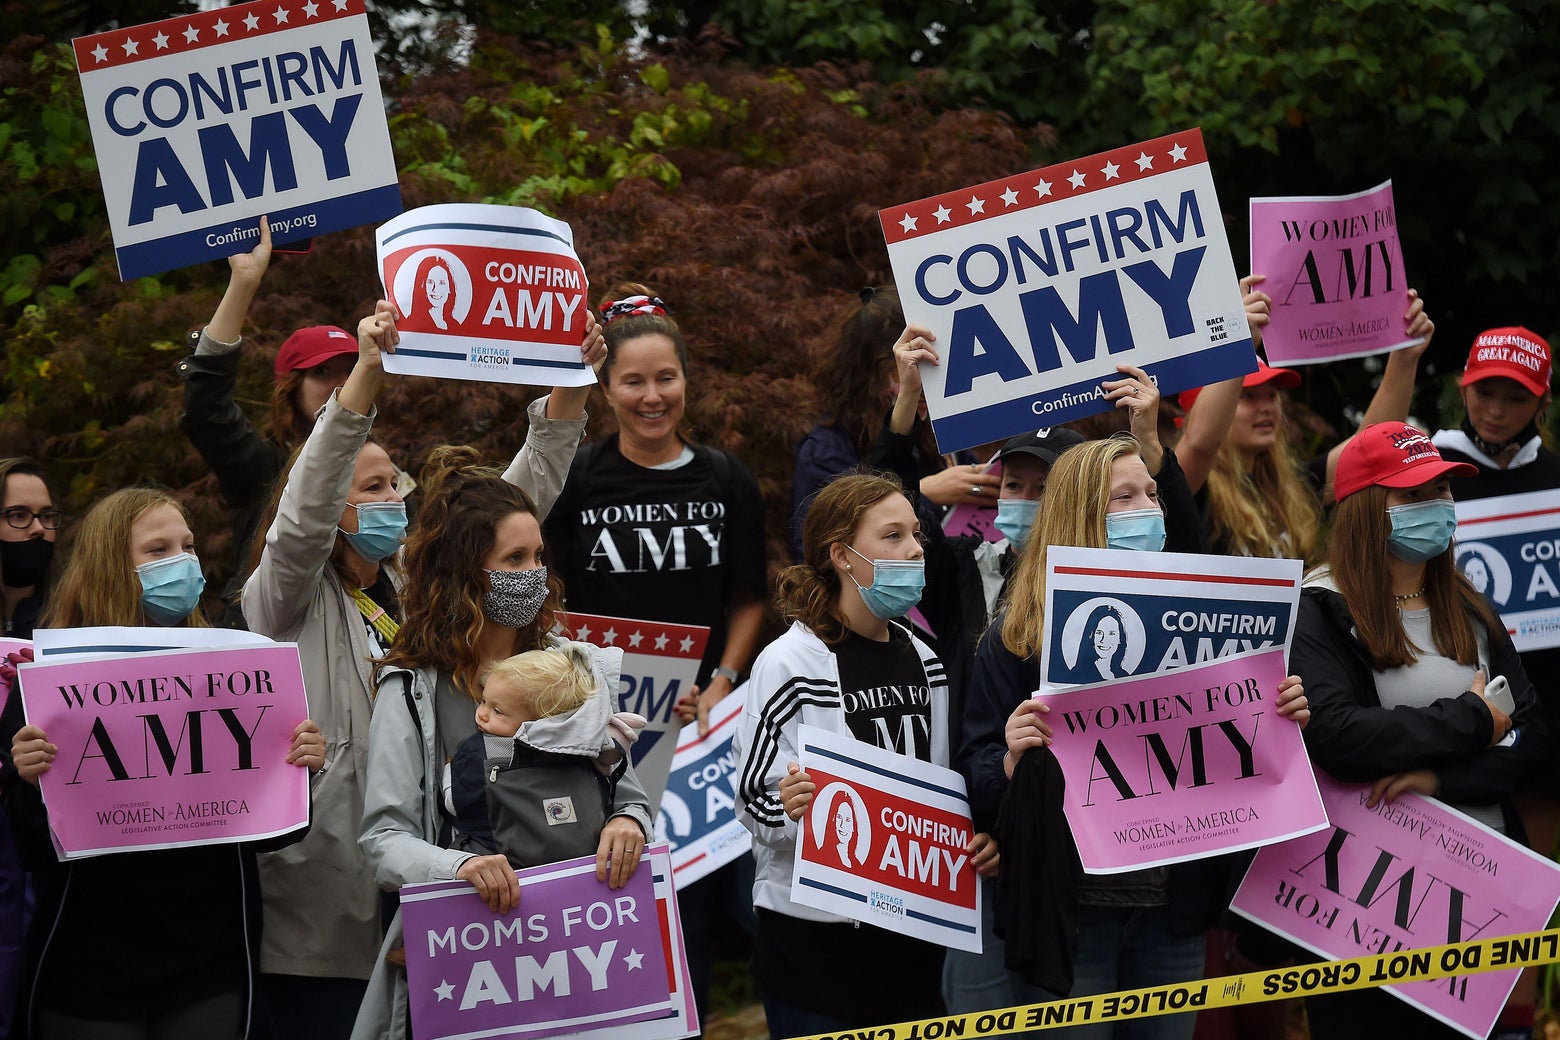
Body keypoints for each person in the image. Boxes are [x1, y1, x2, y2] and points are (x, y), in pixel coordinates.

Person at [960, 436, 1308, 1039]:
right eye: (1125, 496)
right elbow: (976, 773)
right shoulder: (1016, 636)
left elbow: (1239, 747)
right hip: (1073, 914)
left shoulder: (1204, 621)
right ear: (1080, 513)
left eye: (1151, 493)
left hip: (1172, 914)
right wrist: (1011, 762)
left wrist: (1280, 714)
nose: (1149, 506)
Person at [5, 486, 324, 1040]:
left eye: (189, 547)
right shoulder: (47, 673)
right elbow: (35, 847)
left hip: (208, 963)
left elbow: (275, 834)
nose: (182, 563)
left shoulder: (234, 662)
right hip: (88, 965)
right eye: (158, 551)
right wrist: (26, 778)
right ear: (112, 565)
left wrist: (295, 767)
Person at [354, 445, 640, 1040]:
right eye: (514, 558)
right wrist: (459, 866)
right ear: (465, 574)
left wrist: (629, 824)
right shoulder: (412, 689)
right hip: (471, 963)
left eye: (538, 556)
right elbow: (384, 842)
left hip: (583, 955)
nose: (534, 573)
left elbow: (626, 792)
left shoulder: (569, 666)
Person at [542, 285, 767, 1030]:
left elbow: (747, 599)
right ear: (605, 389)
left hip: (705, 736)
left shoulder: (726, 478)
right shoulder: (578, 480)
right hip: (605, 743)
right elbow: (550, 598)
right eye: (632, 381)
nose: (651, 396)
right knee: (635, 912)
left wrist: (723, 681)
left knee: (720, 907)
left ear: (686, 380)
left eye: (664, 377)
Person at [1291, 420, 1550, 1036]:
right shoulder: (1318, 606)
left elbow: (1533, 734)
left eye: (1441, 493)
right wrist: (1472, 719)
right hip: (1360, 897)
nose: (1436, 508)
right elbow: (1338, 735)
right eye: (1414, 496)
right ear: (1366, 510)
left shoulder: (1471, 605)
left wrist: (1439, 777)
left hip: (1479, 891)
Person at [733, 472, 998, 1039]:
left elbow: (942, 784)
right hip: (815, 948)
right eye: (893, 536)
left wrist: (970, 838)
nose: (915, 549)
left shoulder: (926, 659)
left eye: (917, 535)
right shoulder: (788, 663)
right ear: (841, 555)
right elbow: (754, 801)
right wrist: (791, 807)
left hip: (912, 939)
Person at [178, 221, 377, 609]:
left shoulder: (383, 473)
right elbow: (207, 409)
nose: (339, 384)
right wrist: (243, 284)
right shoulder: (262, 468)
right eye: (321, 372)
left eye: (349, 370)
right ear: (290, 389)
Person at [789, 287, 994, 559]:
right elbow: (821, 549)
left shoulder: (941, 438)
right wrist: (926, 494)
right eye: (905, 373)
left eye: (932, 370)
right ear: (867, 376)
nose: (922, 389)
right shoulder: (826, 450)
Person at [444, 645, 653, 876]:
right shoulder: (586, 752)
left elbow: (454, 802)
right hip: (585, 875)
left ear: (543, 721)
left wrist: (448, 770)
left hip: (504, 879)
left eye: (498, 711)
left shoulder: (479, 751)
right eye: (483, 701)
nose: (482, 713)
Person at [1075, 604, 1127, 682]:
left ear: (1120, 639)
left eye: (1112, 633)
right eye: (1099, 633)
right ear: (1091, 636)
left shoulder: (1124, 676)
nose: (1104, 640)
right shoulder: (1077, 674)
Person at [413, 254, 458, 331]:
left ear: (449, 288)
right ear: (423, 286)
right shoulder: (413, 322)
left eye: (442, 283)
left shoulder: (455, 325)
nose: (435, 289)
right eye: (430, 282)